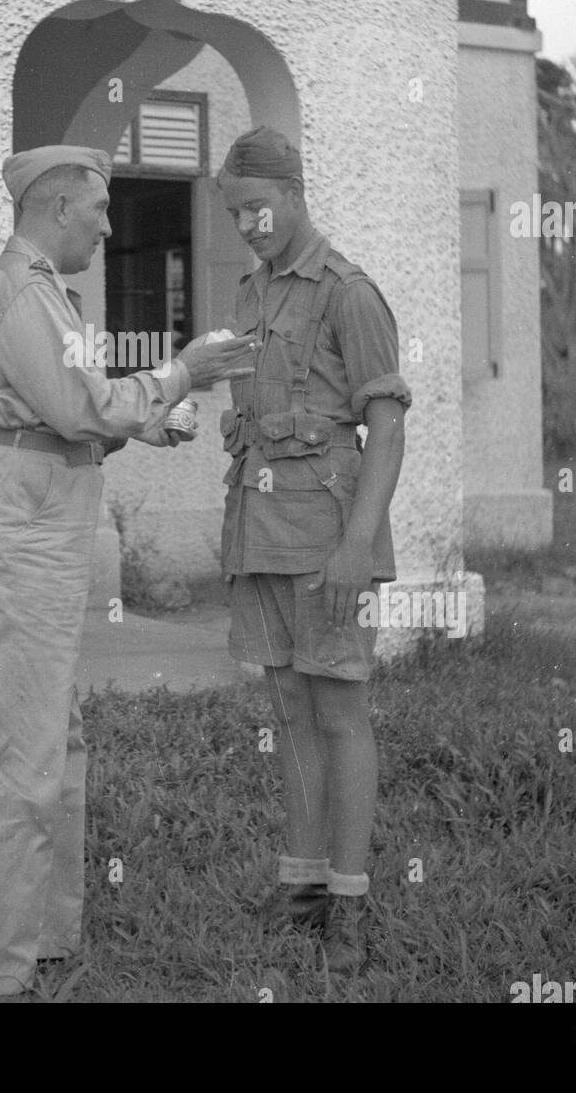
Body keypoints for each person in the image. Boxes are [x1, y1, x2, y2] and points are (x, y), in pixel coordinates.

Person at [0, 143, 256, 1000]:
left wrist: (140, 418)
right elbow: (79, 408)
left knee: (48, 739)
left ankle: (37, 942)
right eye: (101, 210)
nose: (112, 227)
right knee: (11, 753)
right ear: (56, 208)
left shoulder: (38, 295)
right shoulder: (23, 292)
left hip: (30, 506)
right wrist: (182, 371)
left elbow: (73, 412)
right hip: (16, 517)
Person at [204, 124, 411, 974]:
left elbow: (386, 425)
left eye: (257, 207)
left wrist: (358, 545)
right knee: (288, 709)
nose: (247, 225)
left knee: (338, 711)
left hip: (328, 536)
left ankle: (349, 905)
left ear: (292, 194)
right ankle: (300, 887)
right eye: (234, 213)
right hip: (259, 529)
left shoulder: (346, 292)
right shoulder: (250, 295)